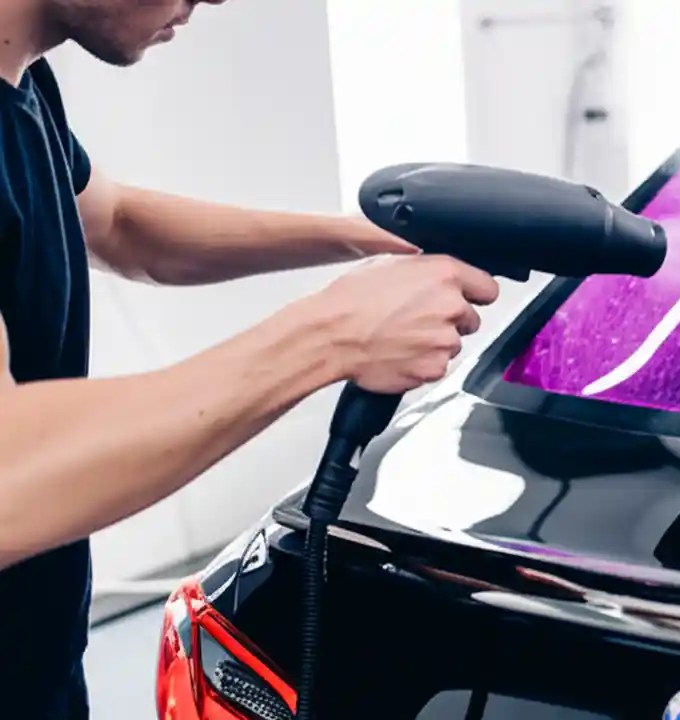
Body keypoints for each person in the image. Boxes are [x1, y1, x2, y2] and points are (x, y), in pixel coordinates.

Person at [0, 1, 501, 716]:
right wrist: (337, 331)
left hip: (37, 665)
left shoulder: (22, 83)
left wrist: (363, 235)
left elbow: (120, 223)